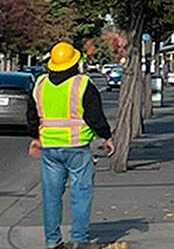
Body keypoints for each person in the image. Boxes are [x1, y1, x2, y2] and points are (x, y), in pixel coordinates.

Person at [26, 41, 114, 249]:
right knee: (81, 195)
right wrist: (106, 137)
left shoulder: (40, 85)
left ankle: (52, 242)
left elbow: (32, 115)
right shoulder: (82, 85)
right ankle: (79, 240)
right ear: (74, 62)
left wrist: (35, 138)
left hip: (50, 149)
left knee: (51, 197)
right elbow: (95, 117)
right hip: (77, 148)